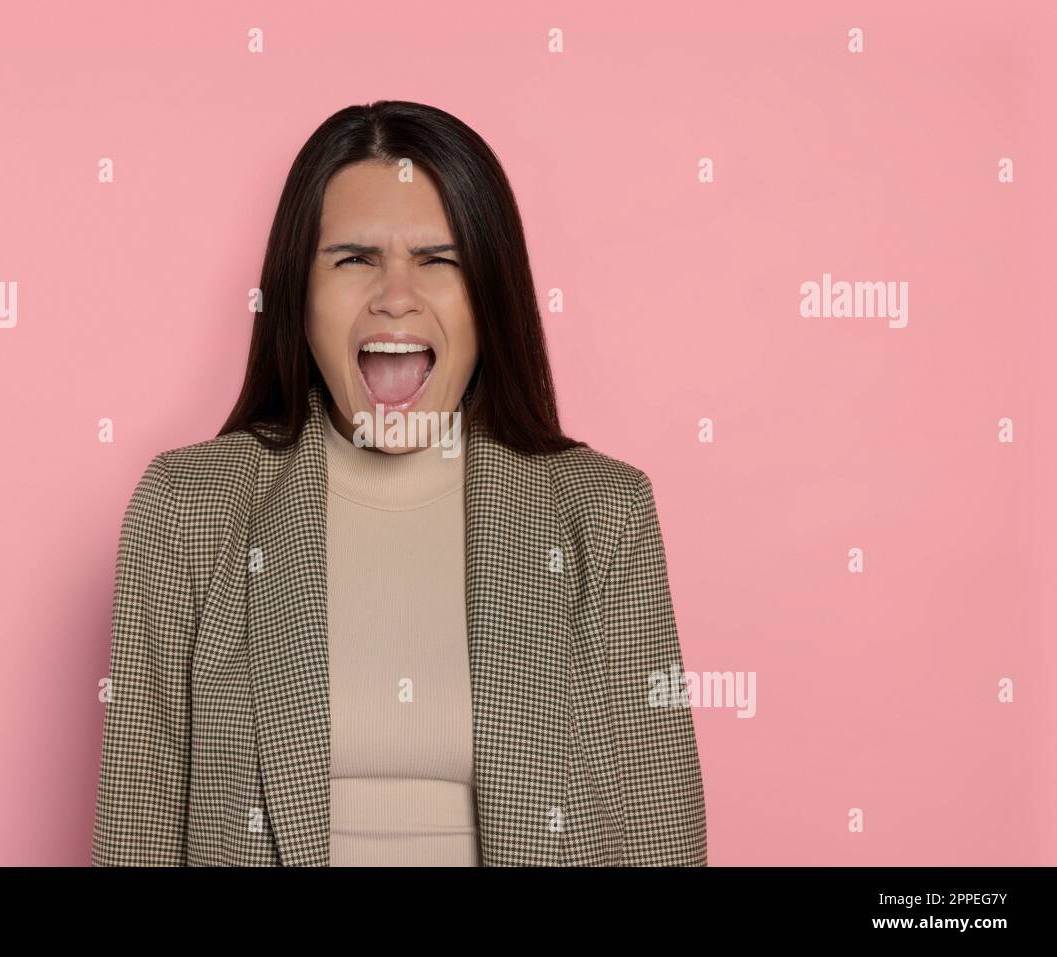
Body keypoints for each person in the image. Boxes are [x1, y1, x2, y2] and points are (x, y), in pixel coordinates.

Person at [92, 100, 707, 866]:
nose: (395, 295)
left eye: (438, 260)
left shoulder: (605, 514)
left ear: (492, 298)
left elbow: (661, 833)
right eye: (353, 259)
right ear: (297, 297)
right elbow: (135, 831)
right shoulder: (187, 510)